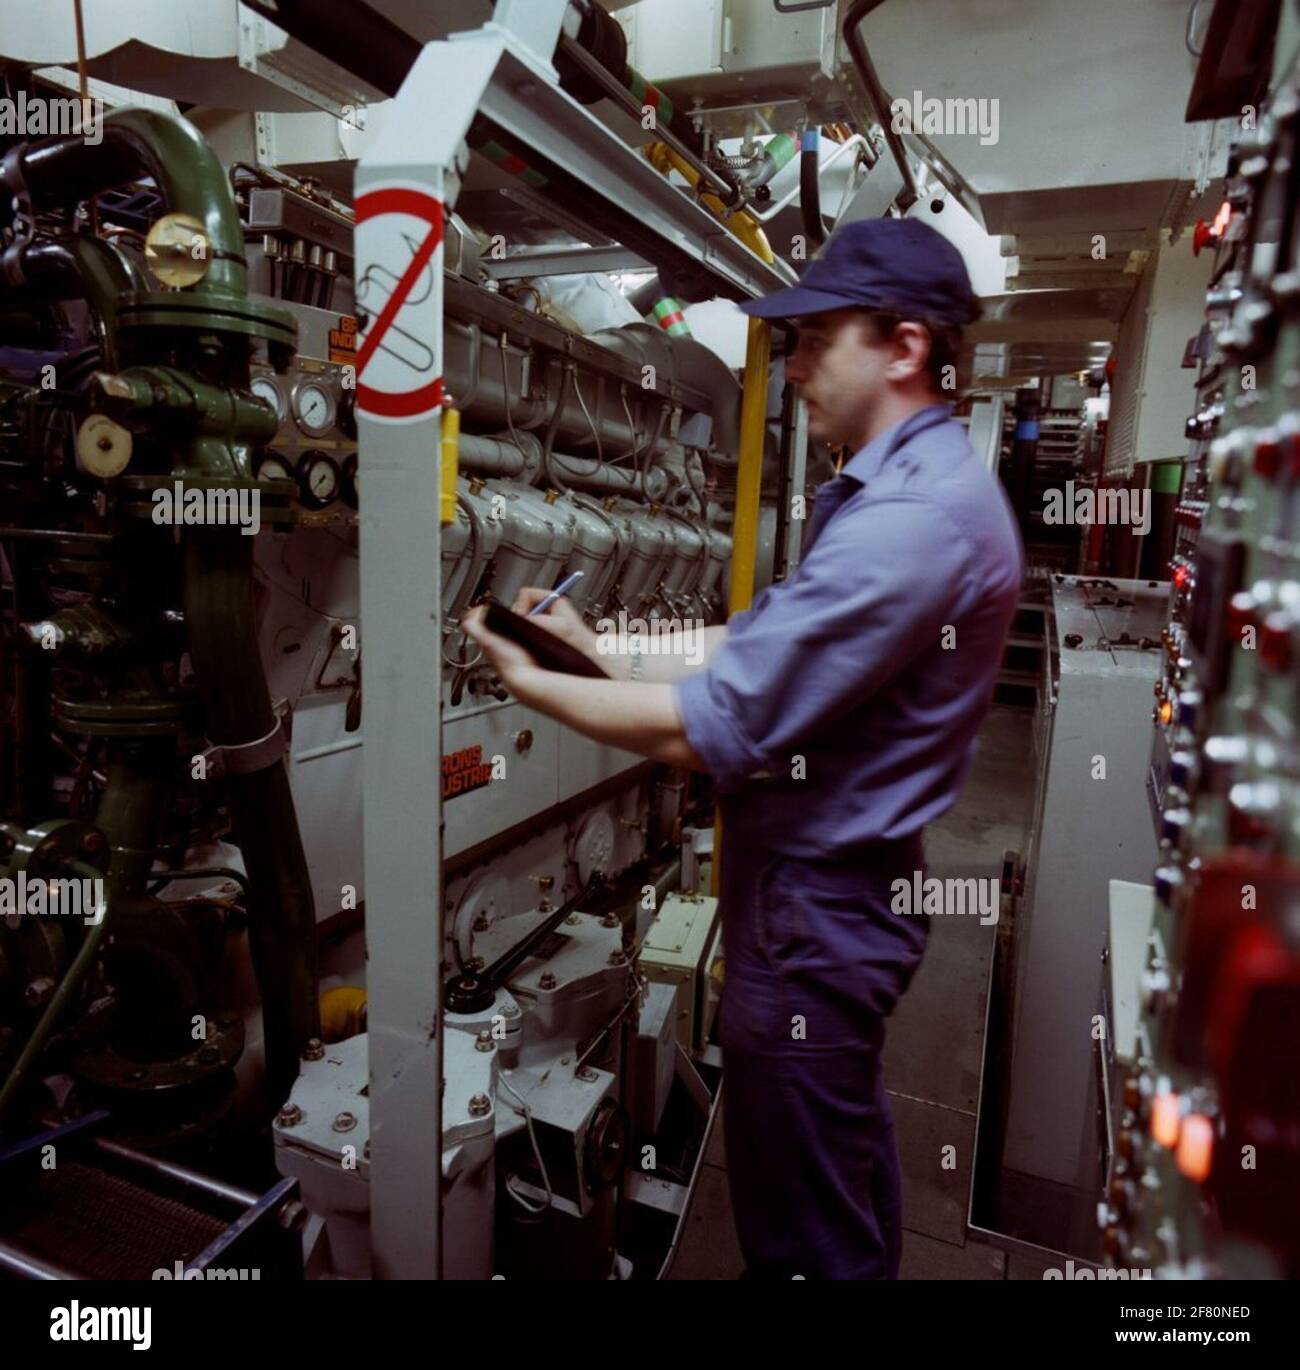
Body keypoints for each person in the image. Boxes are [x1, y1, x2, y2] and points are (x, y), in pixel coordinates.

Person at [463, 216, 1024, 1279]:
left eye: (816, 341)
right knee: (834, 1161)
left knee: (801, 1218)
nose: (797, 367)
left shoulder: (913, 520)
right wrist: (606, 643)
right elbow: (751, 642)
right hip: (822, 897)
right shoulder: (894, 492)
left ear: (904, 345)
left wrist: (538, 680)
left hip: (817, 910)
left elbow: (703, 725)